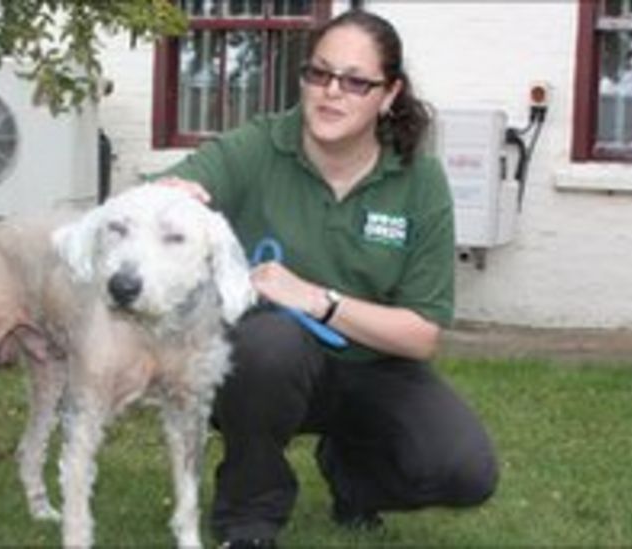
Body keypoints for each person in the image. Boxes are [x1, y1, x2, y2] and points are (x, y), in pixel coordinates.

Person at [154, 9, 498, 547]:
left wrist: (318, 299)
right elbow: (174, 189)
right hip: (268, 371)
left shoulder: (420, 181)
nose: (332, 92)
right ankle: (248, 521)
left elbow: (422, 334)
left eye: (355, 81)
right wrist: (170, 198)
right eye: (319, 73)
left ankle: (352, 476)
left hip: (373, 367)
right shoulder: (259, 146)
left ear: (389, 94)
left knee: (465, 471)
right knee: (267, 342)